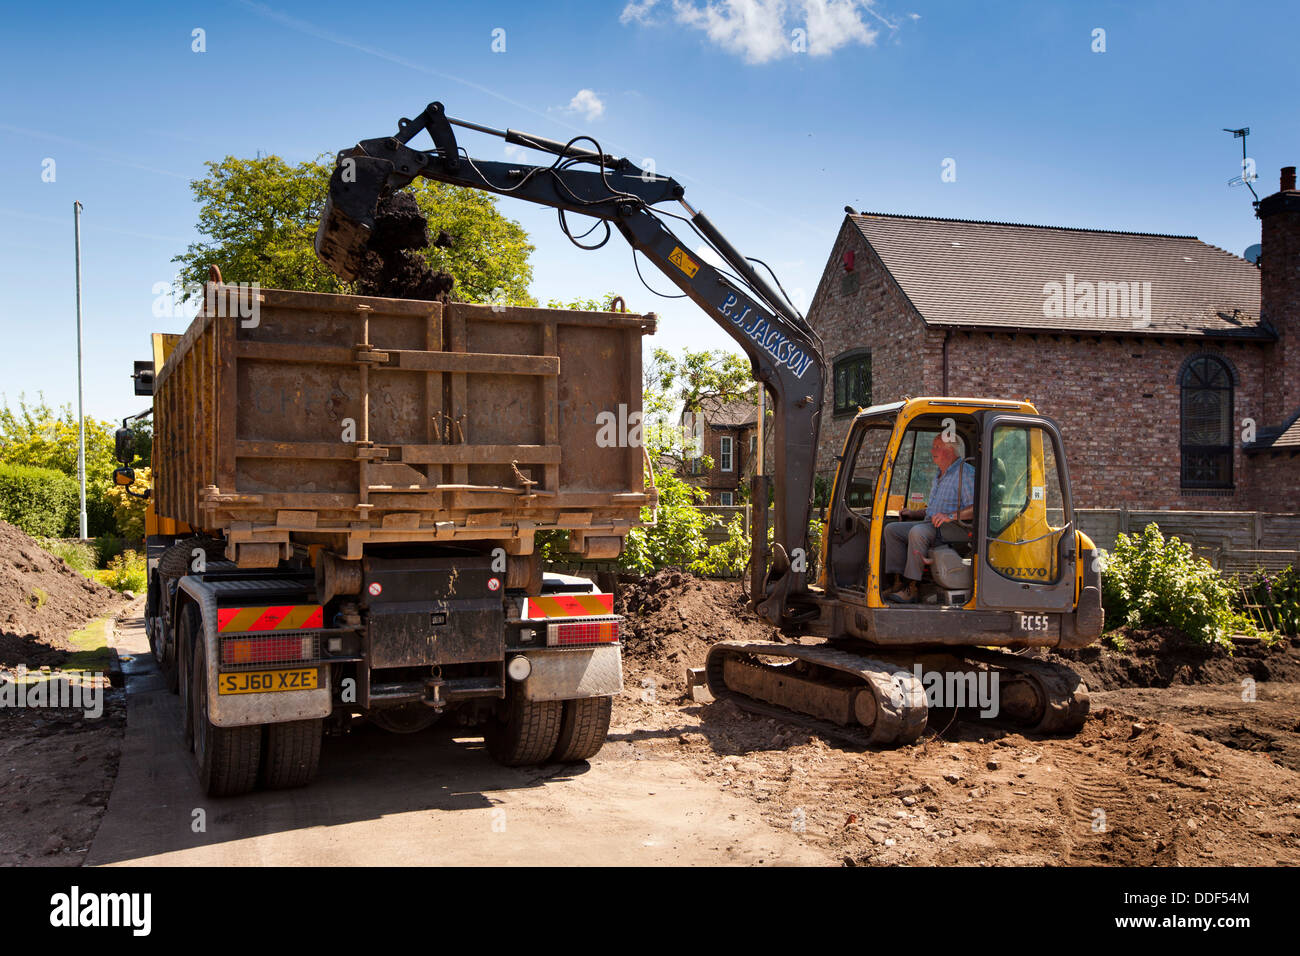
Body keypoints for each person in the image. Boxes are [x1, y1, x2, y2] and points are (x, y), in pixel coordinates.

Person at [883, 433, 975, 604]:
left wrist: (950, 516)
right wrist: (913, 513)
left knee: (918, 532)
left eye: (937, 447)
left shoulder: (966, 473)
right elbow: (933, 510)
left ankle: (912, 587)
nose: (932, 450)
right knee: (892, 529)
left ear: (950, 450)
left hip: (952, 529)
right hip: (932, 523)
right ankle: (898, 582)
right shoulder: (940, 474)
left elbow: (977, 507)